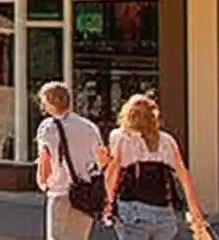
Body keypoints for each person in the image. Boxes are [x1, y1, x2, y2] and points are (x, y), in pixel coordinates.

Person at [103, 94, 207, 240]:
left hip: (133, 212)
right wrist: (195, 213)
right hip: (164, 214)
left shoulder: (120, 137)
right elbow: (184, 177)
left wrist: (108, 202)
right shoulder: (167, 141)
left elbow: (112, 173)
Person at [35, 81, 105, 240]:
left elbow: (45, 159)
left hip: (60, 190)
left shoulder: (48, 127)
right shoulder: (89, 126)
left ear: (50, 102)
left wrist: (43, 182)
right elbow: (101, 160)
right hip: (85, 191)